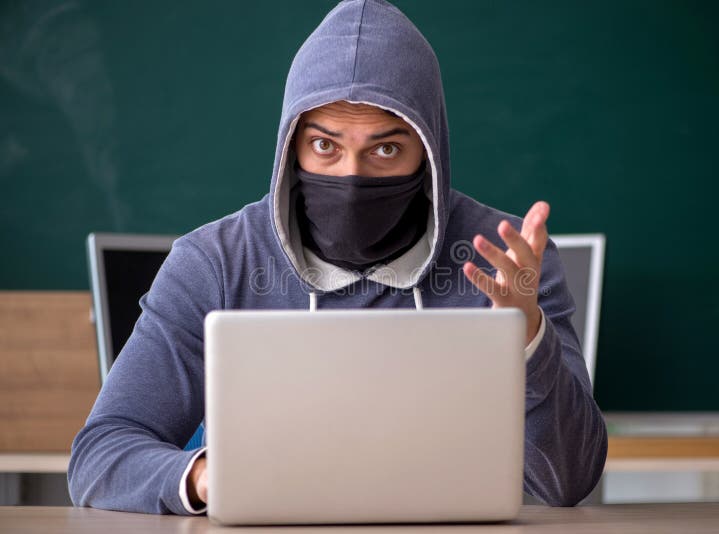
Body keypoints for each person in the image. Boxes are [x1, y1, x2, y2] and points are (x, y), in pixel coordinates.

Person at [68, 0, 607, 514]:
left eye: (387, 149)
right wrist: (208, 476)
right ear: (291, 145)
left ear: (431, 151)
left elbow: (568, 482)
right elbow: (101, 455)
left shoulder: (506, 258)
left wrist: (526, 336)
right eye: (325, 145)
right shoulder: (214, 263)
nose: (352, 175)